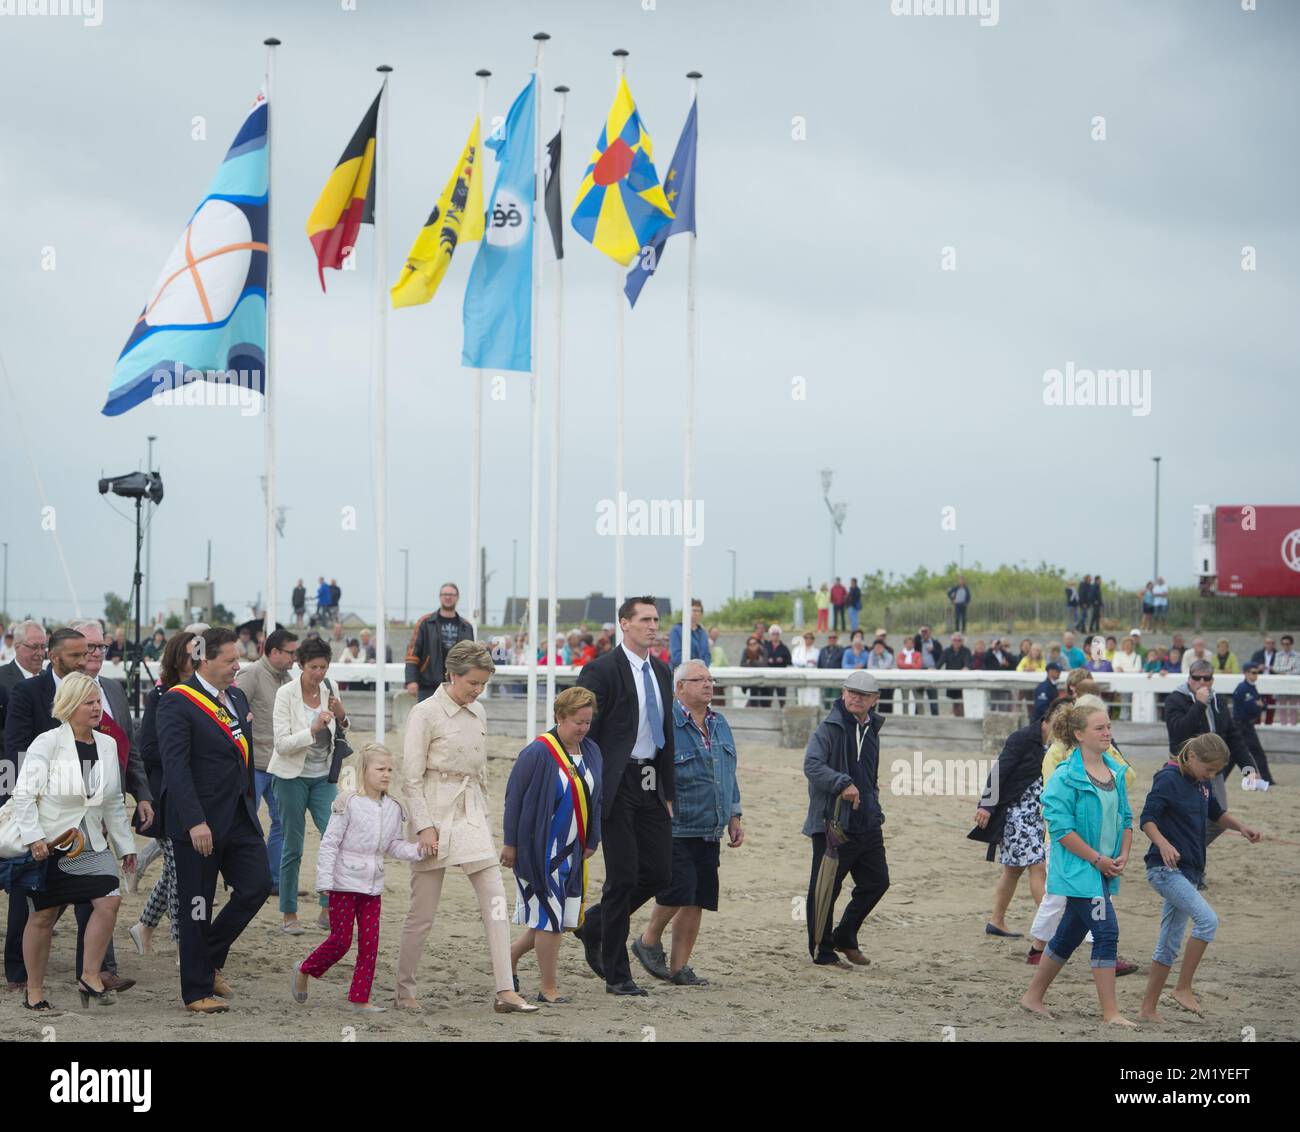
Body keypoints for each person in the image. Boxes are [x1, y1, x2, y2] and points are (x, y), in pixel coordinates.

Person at [395, 641, 535, 1012]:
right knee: (422, 912)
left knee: (496, 901)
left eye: (483, 684)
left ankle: (505, 989)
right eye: (472, 682)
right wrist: (424, 826)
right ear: (452, 674)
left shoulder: (480, 711)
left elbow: (481, 770)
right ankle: (404, 989)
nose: (478, 690)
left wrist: (485, 816)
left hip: (471, 811)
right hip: (434, 811)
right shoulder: (425, 713)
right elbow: (410, 778)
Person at [156, 627, 273, 1013]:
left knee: (257, 886)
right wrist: (194, 821)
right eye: (229, 660)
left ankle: (206, 955)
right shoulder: (177, 702)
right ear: (204, 660)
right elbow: (176, 768)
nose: (237, 666)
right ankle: (196, 990)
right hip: (199, 823)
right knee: (197, 905)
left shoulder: (236, 696)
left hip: (239, 816)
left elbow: (245, 757)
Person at [9, 672, 136, 1010]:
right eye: (89, 703)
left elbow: (112, 802)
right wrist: (34, 836)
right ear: (69, 705)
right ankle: (34, 990)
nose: (97, 708)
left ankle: (90, 974)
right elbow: (23, 795)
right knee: (43, 917)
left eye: (98, 702)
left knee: (108, 900)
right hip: (51, 843)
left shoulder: (106, 744)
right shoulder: (48, 742)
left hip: (91, 841)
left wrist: (126, 847)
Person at [572, 597, 675, 997]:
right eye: (645, 620)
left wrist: (668, 791)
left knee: (660, 873)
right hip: (614, 782)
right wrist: (587, 785)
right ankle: (618, 974)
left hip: (652, 781)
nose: (653, 626)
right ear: (624, 624)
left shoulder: (662, 671)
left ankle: (594, 924)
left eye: (656, 620)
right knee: (623, 877)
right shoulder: (601, 670)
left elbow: (666, 735)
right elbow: (583, 729)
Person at [1019, 703, 1135, 1027]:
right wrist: (1097, 859)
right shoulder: (1063, 778)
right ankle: (1110, 1012)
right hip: (1078, 871)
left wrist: (1123, 852)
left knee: (1070, 933)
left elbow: (1126, 817)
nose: (1107, 733)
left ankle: (1032, 997)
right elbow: (1060, 830)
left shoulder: (1116, 771)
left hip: (1104, 868)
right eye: (1100, 728)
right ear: (1079, 734)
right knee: (1106, 931)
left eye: (1108, 726)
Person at [291, 744, 428, 1011]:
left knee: (370, 945)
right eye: (380, 769)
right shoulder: (347, 802)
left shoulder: (393, 807)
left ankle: (359, 999)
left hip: (373, 887)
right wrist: (324, 883)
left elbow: (393, 845)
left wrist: (418, 851)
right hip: (343, 884)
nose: (386, 774)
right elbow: (330, 843)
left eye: (390, 769)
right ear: (365, 770)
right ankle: (305, 969)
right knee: (340, 941)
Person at [632, 660, 742, 986]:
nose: (708, 685)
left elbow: (728, 775)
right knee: (679, 888)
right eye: (699, 680)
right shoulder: (664, 724)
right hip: (675, 825)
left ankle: (679, 968)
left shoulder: (720, 723)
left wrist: (734, 815)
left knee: (699, 898)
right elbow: (645, 771)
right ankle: (648, 940)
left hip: (711, 826)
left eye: (710, 679)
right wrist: (653, 806)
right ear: (680, 688)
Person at [1137, 734, 1261, 1021]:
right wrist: (1164, 843)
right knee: (1208, 922)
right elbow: (1147, 818)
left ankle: (1147, 1010)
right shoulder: (1167, 778)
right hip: (1164, 870)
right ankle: (1183, 987)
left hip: (1190, 871)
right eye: (1209, 770)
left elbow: (1217, 814)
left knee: (1169, 942)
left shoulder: (1201, 783)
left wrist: (1241, 827)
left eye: (1216, 771)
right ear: (1191, 757)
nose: (1212, 775)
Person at [503, 686, 603, 1003]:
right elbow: (514, 801)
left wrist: (593, 838)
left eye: (588, 721)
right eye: (578, 721)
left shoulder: (593, 751)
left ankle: (507, 958)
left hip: (574, 850)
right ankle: (548, 987)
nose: (584, 728)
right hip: (540, 850)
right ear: (560, 717)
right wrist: (510, 844)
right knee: (550, 919)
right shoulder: (537, 753)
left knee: (552, 918)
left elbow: (597, 799)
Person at [803, 670, 889, 967]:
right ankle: (822, 951)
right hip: (833, 824)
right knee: (825, 888)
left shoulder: (873, 731)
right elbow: (812, 766)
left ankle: (845, 936)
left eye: (863, 694)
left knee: (877, 882)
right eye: (851, 691)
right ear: (842, 693)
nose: (855, 697)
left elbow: (871, 777)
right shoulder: (828, 729)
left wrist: (874, 807)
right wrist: (842, 783)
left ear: (875, 700)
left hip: (867, 823)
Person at [969, 702, 1066, 939]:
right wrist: (986, 805)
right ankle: (1052, 930)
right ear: (1053, 719)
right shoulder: (1023, 738)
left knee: (1012, 871)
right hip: (1017, 814)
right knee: (1039, 866)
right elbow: (1000, 770)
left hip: (1039, 815)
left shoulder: (1059, 744)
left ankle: (996, 921)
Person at [270, 635, 346, 934]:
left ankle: (327, 906)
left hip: (323, 776)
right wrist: (311, 730)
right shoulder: (286, 694)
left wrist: (342, 716)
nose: (319, 673)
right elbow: (282, 744)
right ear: (300, 665)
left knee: (334, 838)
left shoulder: (330, 687)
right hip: (290, 777)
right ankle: (289, 913)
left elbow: (341, 726)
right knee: (293, 845)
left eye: (323, 667)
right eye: (313, 667)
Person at [129, 630, 195, 957]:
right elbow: (148, 748)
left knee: (173, 870)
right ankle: (182, 940)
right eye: (190, 652)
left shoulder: (205, 693)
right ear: (177, 657)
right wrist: (185, 755)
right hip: (166, 795)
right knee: (179, 871)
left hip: (192, 793)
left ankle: (144, 926)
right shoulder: (160, 695)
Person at [1163, 659, 1257, 857]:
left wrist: (1248, 767)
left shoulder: (1218, 700)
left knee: (1217, 818)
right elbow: (1178, 732)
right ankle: (1185, 857)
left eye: (1207, 678)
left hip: (1214, 770)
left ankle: (1184, 853)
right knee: (1189, 816)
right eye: (1197, 678)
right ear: (1189, 678)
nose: (1202, 682)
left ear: (1212, 680)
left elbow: (1234, 737)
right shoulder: (1175, 699)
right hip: (1184, 769)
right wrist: (1198, 704)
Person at [239, 627, 297, 897]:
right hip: (253, 765)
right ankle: (246, 879)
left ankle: (274, 881)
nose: (294, 658)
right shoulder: (251, 674)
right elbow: (233, 710)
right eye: (290, 653)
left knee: (282, 824)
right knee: (246, 825)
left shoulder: (287, 679)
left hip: (279, 763)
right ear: (274, 652)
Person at [404, 582, 475, 703]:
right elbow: (412, 653)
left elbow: (472, 657)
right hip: (428, 685)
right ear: (440, 597)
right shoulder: (425, 623)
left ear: (457, 597)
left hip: (457, 686)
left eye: (451, 594)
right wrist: (411, 680)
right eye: (445, 594)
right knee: (427, 720)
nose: (448, 597)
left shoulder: (466, 627)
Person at [1231, 662, 1274, 785]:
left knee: (1236, 754)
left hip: (1246, 725)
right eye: (1253, 672)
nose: (1256, 675)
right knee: (1256, 752)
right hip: (1242, 725)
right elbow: (1252, 708)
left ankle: (1266, 779)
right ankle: (1267, 779)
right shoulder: (1243, 688)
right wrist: (1259, 705)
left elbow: (1262, 705)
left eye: (1257, 672)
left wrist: (1260, 705)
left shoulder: (1250, 687)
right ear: (1246, 673)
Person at [0, 619, 46, 693]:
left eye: (43, 647)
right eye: (34, 647)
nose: (40, 653)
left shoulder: (49, 679)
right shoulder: (2, 678)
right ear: (17, 646)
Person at [669, 599, 711, 667]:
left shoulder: (703, 633)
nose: (696, 613)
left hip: (700, 673)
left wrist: (702, 667)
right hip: (681, 673)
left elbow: (707, 655)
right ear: (687, 611)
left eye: (698, 611)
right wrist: (694, 667)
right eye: (694, 610)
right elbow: (676, 656)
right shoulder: (677, 630)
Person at [939, 632, 971, 717]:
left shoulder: (966, 651)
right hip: (952, 680)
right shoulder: (947, 651)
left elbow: (967, 663)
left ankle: (964, 718)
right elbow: (940, 663)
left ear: (962, 641)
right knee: (955, 703)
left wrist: (966, 667)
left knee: (963, 701)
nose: (957, 642)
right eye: (955, 640)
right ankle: (958, 718)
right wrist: (933, 668)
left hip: (963, 680)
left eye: (959, 640)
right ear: (952, 641)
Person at [791, 631, 821, 707]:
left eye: (810, 638)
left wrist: (802, 662)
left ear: (813, 639)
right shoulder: (797, 649)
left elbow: (814, 662)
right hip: (799, 676)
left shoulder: (816, 651)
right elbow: (794, 660)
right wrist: (806, 661)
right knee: (798, 696)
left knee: (811, 696)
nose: (808, 639)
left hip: (811, 677)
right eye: (805, 637)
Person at [1274, 635, 1299, 726]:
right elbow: (1276, 668)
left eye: (1287, 644)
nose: (1285, 646)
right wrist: (1289, 668)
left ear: (1291, 644)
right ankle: (1283, 725)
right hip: (1281, 685)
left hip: (1293, 685)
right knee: (1282, 707)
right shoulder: (1278, 654)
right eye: (1283, 644)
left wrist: (1286, 673)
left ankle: (1293, 725)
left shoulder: (1297, 655)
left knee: (1293, 707)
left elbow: (1298, 670)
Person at [764, 624, 792, 708]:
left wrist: (782, 660)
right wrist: (768, 660)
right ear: (770, 635)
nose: (775, 636)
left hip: (781, 675)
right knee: (767, 697)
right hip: (768, 675)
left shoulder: (784, 648)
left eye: (777, 634)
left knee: (782, 697)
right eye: (773, 634)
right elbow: (762, 659)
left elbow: (789, 661)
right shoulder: (766, 646)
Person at [895, 635, 922, 715]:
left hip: (915, 679)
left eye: (911, 643)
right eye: (907, 643)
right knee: (905, 701)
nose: (909, 645)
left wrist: (906, 665)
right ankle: (905, 717)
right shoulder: (901, 654)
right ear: (905, 644)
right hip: (904, 679)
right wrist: (912, 665)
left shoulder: (917, 654)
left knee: (919, 701)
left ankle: (921, 718)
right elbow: (900, 665)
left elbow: (918, 666)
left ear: (913, 644)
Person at [866, 636, 894, 714]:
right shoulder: (871, 654)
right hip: (873, 682)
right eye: (876, 646)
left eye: (880, 646)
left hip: (886, 682)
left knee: (885, 703)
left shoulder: (888, 655)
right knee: (871, 702)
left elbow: (886, 666)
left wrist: (881, 656)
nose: (878, 648)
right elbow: (870, 666)